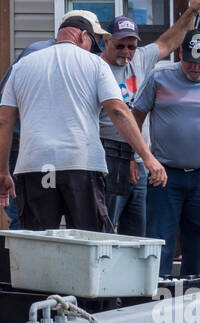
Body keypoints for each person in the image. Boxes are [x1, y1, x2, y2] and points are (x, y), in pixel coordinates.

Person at [0, 13, 165, 233]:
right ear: (82, 36)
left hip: (36, 166)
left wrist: (3, 171)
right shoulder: (95, 64)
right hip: (80, 166)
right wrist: (147, 157)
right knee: (88, 240)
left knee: (38, 240)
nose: (94, 48)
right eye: (93, 42)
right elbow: (118, 111)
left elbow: (4, 120)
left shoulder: (24, 65)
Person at [133, 29, 200, 278]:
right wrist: (135, 157)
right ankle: (156, 285)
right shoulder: (159, 77)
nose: (194, 67)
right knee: (160, 234)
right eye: (189, 61)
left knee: (199, 232)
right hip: (164, 172)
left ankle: (195, 284)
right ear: (180, 53)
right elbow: (135, 118)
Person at [100, 0, 200, 236]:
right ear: (107, 41)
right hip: (109, 158)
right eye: (120, 45)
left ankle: (132, 273)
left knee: (138, 230)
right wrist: (125, 157)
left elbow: (168, 42)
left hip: (140, 160)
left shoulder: (139, 60)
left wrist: (191, 11)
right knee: (107, 226)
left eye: (131, 46)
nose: (126, 52)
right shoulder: (96, 68)